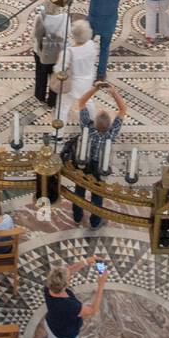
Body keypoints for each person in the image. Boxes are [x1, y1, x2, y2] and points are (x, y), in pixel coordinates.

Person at [42, 256, 108, 338]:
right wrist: (101, 285)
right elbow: (93, 309)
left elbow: (66, 273)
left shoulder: (48, 288)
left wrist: (84, 262)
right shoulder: (70, 306)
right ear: (65, 285)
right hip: (66, 337)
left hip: (51, 326)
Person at [71, 81, 126, 229]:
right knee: (97, 196)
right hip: (100, 168)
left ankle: (77, 217)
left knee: (79, 192)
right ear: (109, 125)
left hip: (83, 163)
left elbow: (81, 102)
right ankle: (95, 222)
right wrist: (113, 92)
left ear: (94, 121)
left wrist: (95, 88)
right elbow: (122, 110)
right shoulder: (111, 134)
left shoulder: (87, 128)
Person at [83, 0, 124, 80]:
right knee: (105, 49)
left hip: (93, 23)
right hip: (109, 25)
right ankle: (101, 74)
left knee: (86, 44)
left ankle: (85, 68)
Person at [53, 19, 99, 122]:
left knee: (63, 107)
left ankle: (58, 135)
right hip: (87, 81)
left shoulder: (69, 52)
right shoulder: (92, 45)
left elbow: (58, 70)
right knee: (88, 101)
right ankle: (92, 123)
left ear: (73, 35)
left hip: (72, 85)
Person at [32, 0, 69, 107]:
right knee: (55, 76)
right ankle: (52, 101)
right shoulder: (64, 18)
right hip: (57, 53)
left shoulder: (40, 17)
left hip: (41, 52)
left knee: (41, 75)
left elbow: (35, 35)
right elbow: (66, 34)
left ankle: (40, 96)